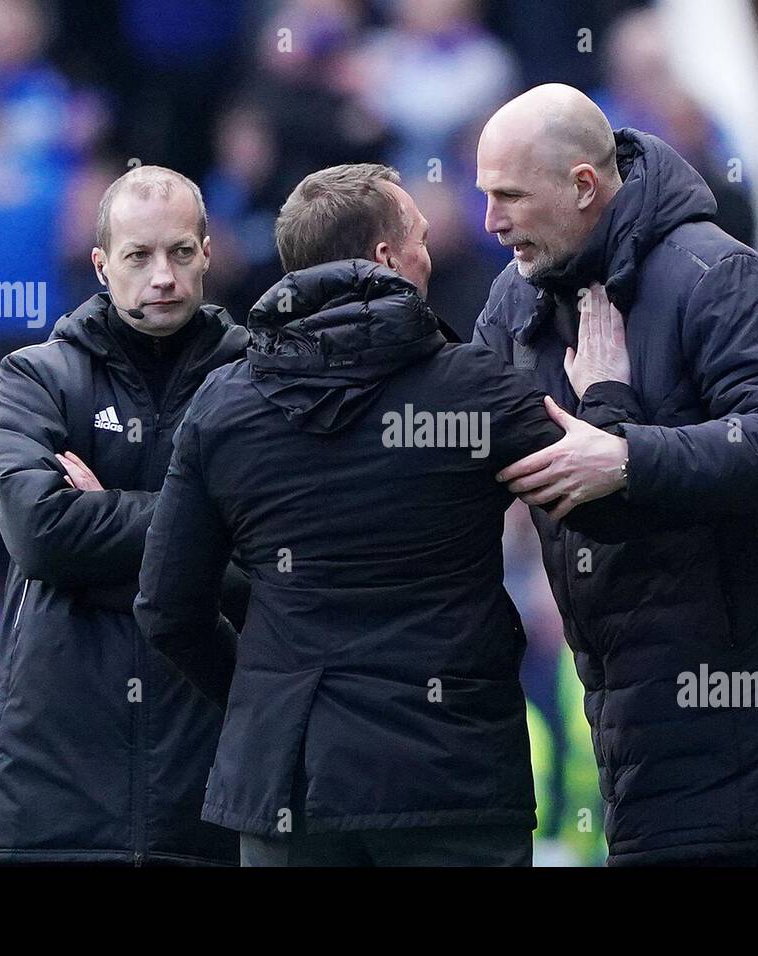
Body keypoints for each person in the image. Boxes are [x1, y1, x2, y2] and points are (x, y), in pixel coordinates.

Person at [135, 163, 631, 866]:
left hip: (287, 785)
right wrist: (607, 396)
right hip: (449, 779)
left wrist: (263, 701)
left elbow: (166, 608)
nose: (431, 253)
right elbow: (604, 500)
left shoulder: (221, 409)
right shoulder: (473, 389)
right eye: (420, 239)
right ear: (386, 258)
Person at [472, 84, 758, 865]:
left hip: (731, 715)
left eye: (510, 196)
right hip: (626, 717)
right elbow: (492, 459)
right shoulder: (513, 302)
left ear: (584, 187)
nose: (491, 222)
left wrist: (626, 453)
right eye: (485, 196)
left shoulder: (714, 275)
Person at [0, 165, 250, 866]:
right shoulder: (36, 375)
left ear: (208, 252)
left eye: (182, 252)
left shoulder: (256, 381)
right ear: (101, 264)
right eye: (139, 256)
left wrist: (98, 530)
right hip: (50, 786)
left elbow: (271, 560)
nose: (164, 276)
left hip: (208, 786)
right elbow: (42, 535)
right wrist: (203, 533)